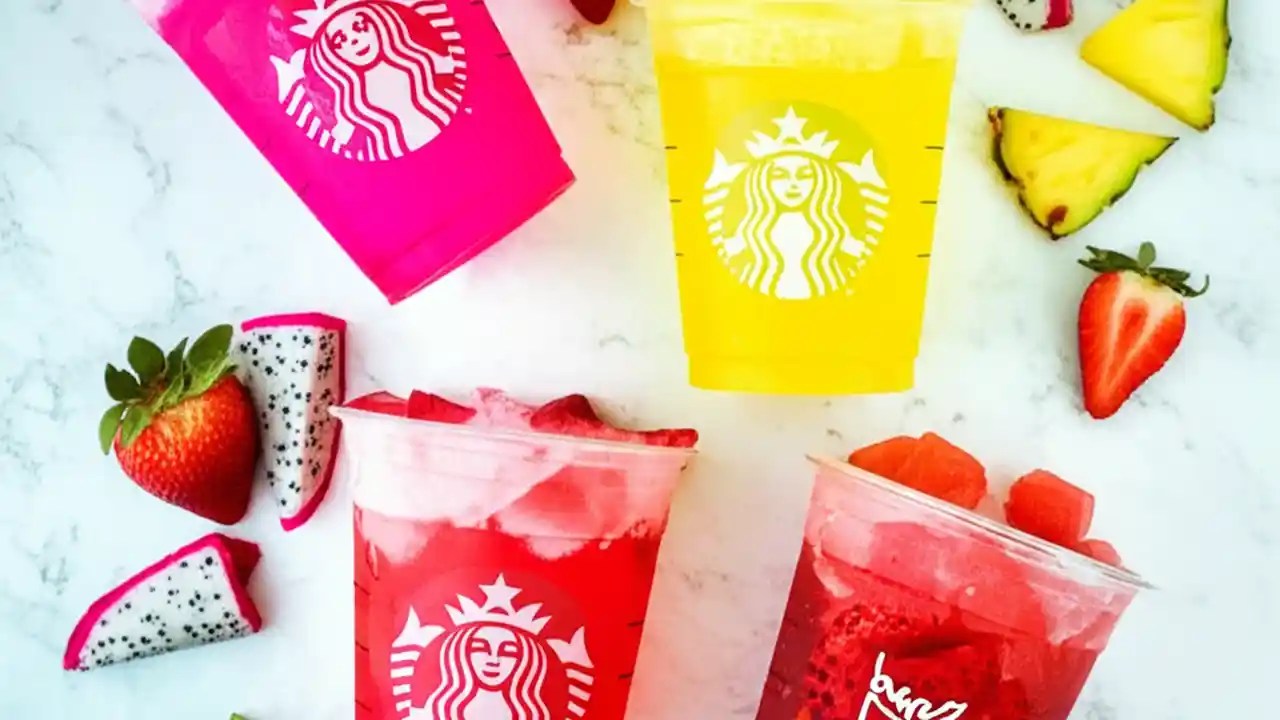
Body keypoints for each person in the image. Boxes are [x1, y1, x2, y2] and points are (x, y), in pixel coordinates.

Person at [308, 1, 460, 160]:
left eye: (360, 26)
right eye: (340, 40)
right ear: (331, 54)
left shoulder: (429, 66)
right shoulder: (349, 114)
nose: (354, 39)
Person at [722, 151, 868, 300]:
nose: (793, 184)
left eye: (804, 176)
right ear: (763, 181)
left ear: (819, 181)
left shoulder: (835, 232)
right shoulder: (748, 231)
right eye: (780, 176)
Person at [416, 623, 553, 720]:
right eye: (480, 648)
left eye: (508, 652)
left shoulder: (531, 712)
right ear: (462, 653)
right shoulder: (433, 710)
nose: (494, 660)